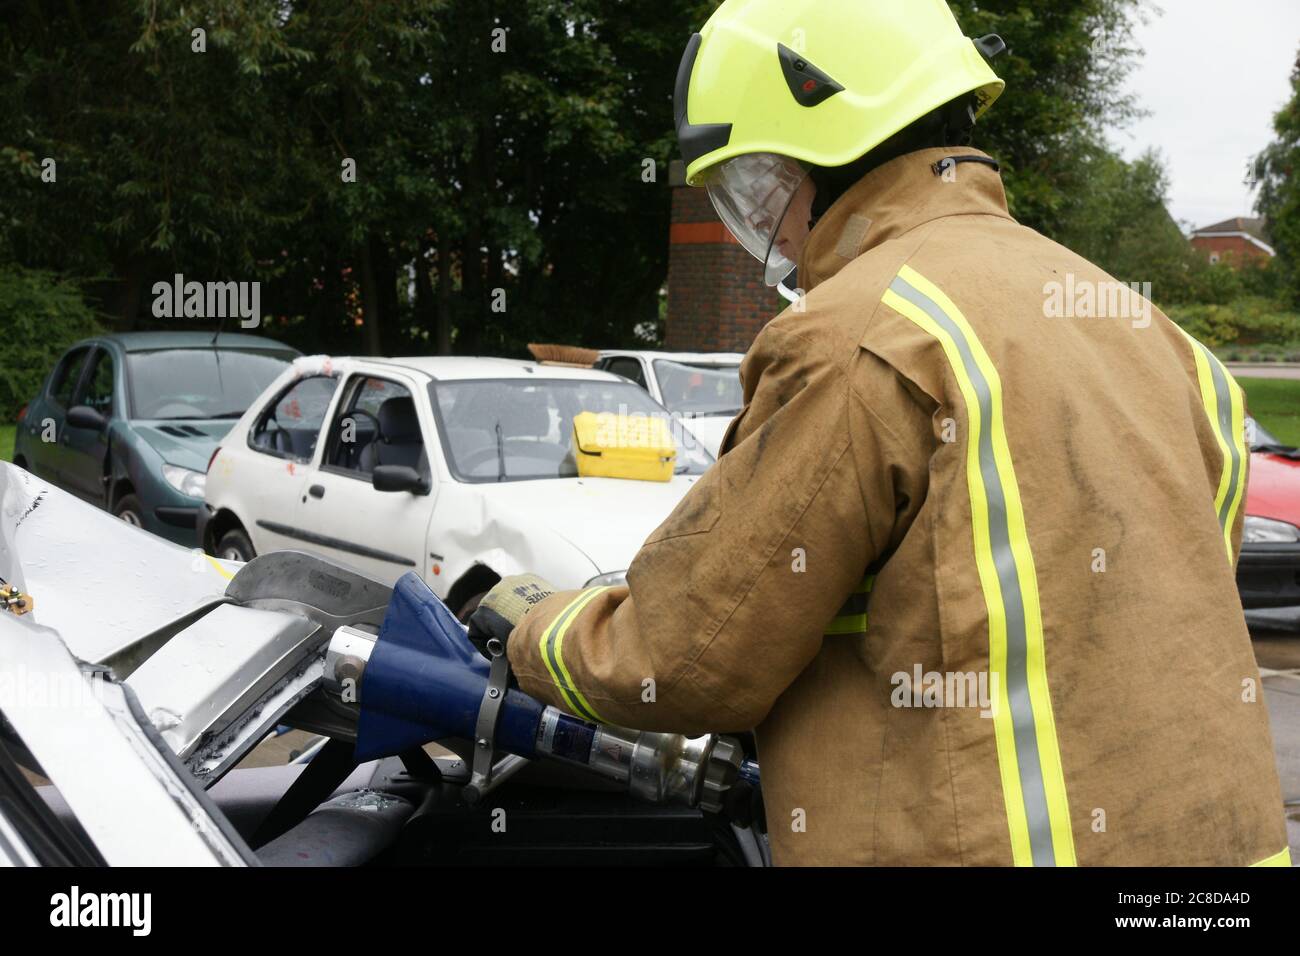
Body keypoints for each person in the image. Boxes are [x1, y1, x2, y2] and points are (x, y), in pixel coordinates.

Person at [469, 0, 1290, 866]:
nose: (771, 233)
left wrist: (536, 627)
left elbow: (684, 653)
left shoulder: (860, 334)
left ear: (824, 146)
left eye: (755, 186)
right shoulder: (1159, 340)